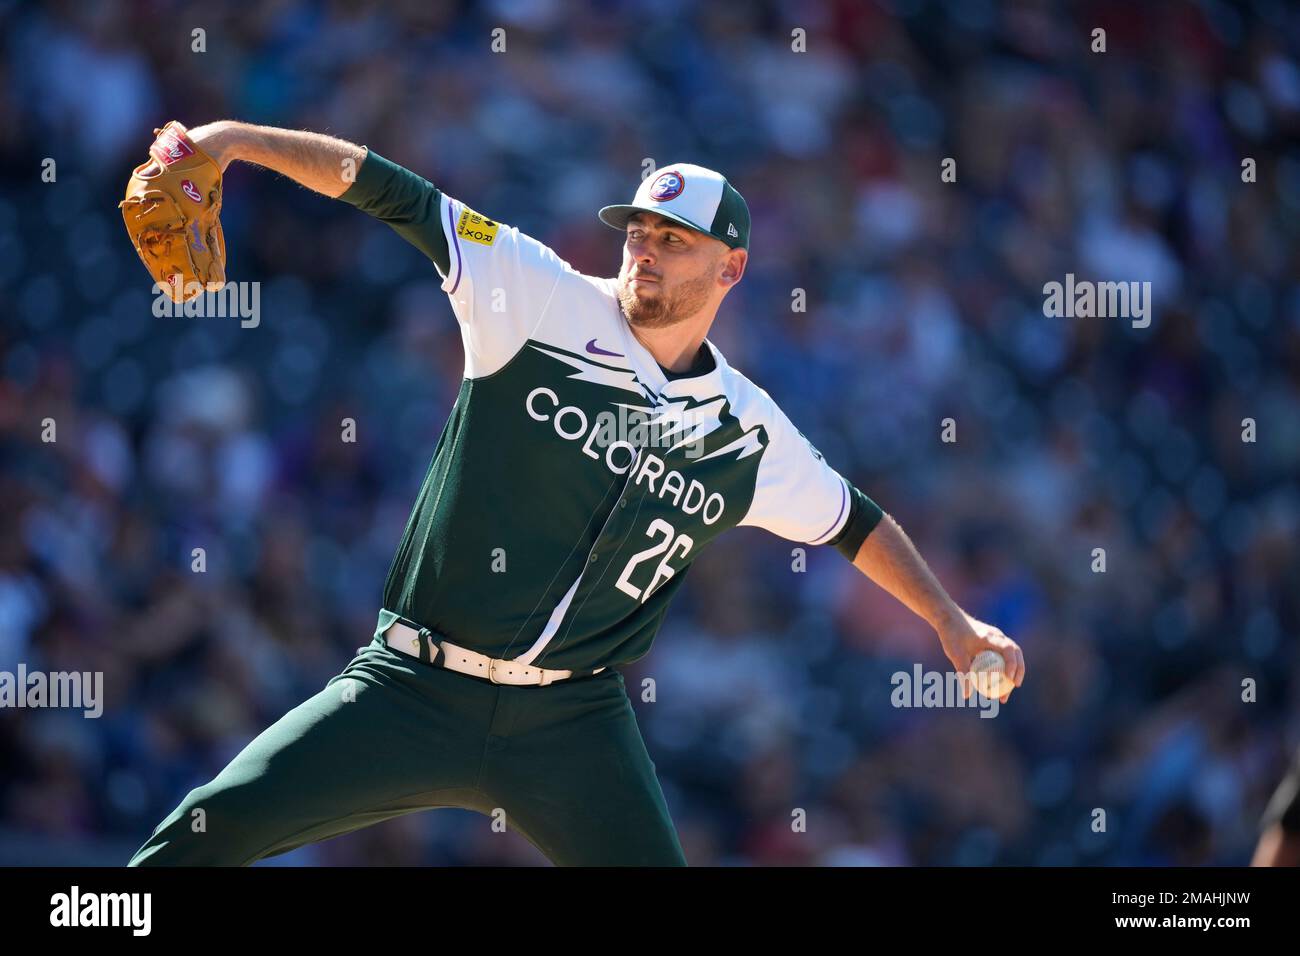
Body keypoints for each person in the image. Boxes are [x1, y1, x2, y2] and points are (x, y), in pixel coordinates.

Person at [127, 121, 1026, 866]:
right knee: (211, 831)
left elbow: (851, 521)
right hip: (411, 685)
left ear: (732, 269)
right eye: (638, 232)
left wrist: (948, 619)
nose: (646, 253)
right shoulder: (536, 293)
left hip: (570, 719)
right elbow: (393, 191)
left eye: (674, 242)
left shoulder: (750, 430)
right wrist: (230, 140)